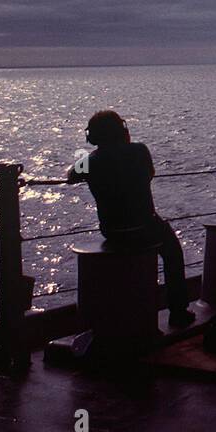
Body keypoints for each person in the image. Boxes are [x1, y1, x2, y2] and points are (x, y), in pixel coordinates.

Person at [68, 110, 193, 327]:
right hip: (145, 226)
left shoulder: (90, 161)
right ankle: (178, 311)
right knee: (173, 252)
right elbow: (150, 173)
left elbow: (70, 176)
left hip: (112, 230)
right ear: (122, 130)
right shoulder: (139, 151)